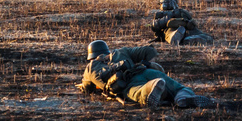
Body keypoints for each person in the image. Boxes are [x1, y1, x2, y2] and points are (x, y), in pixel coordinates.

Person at [79, 41, 214, 108]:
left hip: (127, 83)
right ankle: (183, 96)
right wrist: (146, 63)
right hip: (145, 71)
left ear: (90, 55)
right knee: (176, 86)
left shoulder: (91, 66)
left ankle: (153, 88)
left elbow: (86, 88)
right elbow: (148, 51)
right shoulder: (120, 52)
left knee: (139, 91)